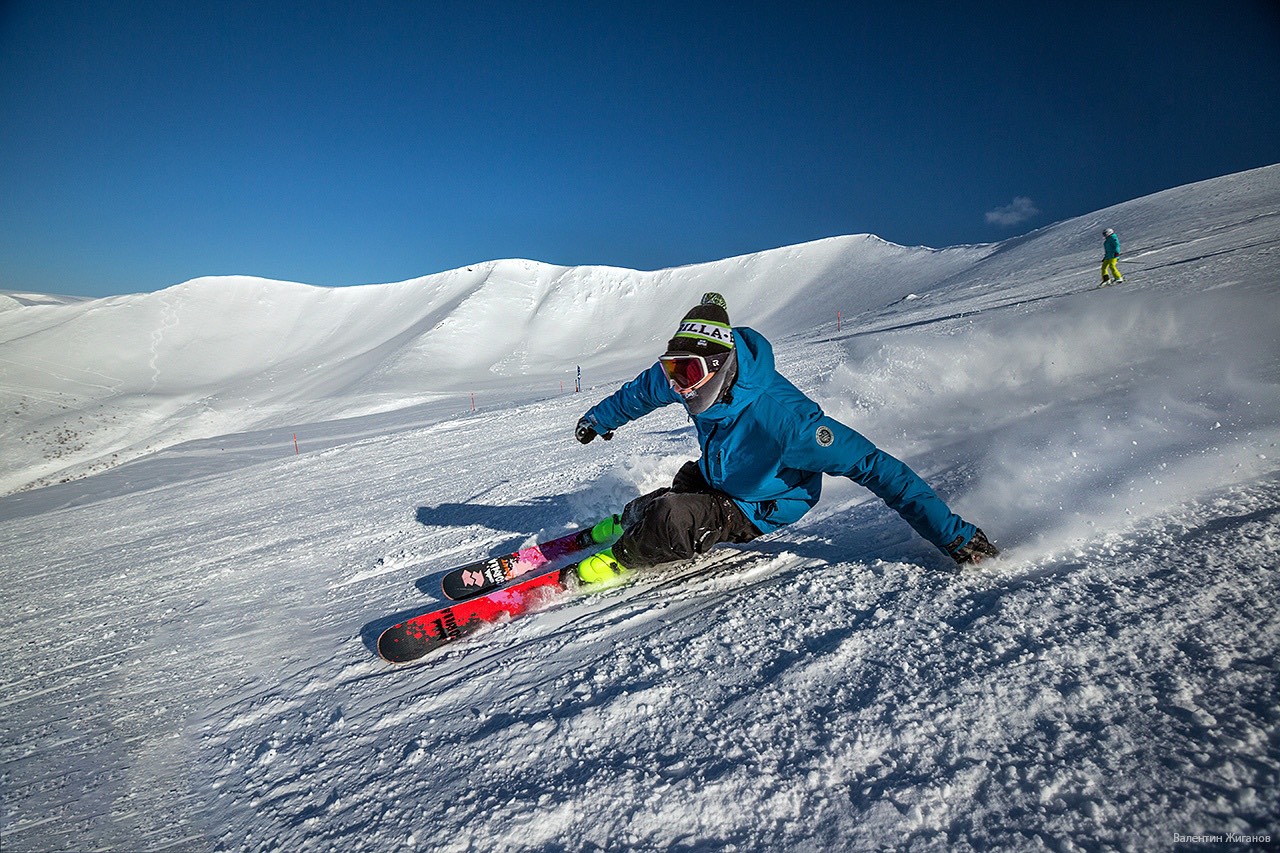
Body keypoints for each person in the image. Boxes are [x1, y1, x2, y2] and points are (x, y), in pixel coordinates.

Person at [572, 292, 998, 584]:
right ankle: (633, 517)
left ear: (721, 367)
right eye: (673, 370)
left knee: (673, 520)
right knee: (676, 492)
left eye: (688, 375)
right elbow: (640, 392)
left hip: (760, 503)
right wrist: (598, 419)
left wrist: (954, 536)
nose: (680, 386)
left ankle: (619, 556)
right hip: (720, 471)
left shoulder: (790, 423)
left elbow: (876, 466)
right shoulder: (686, 372)